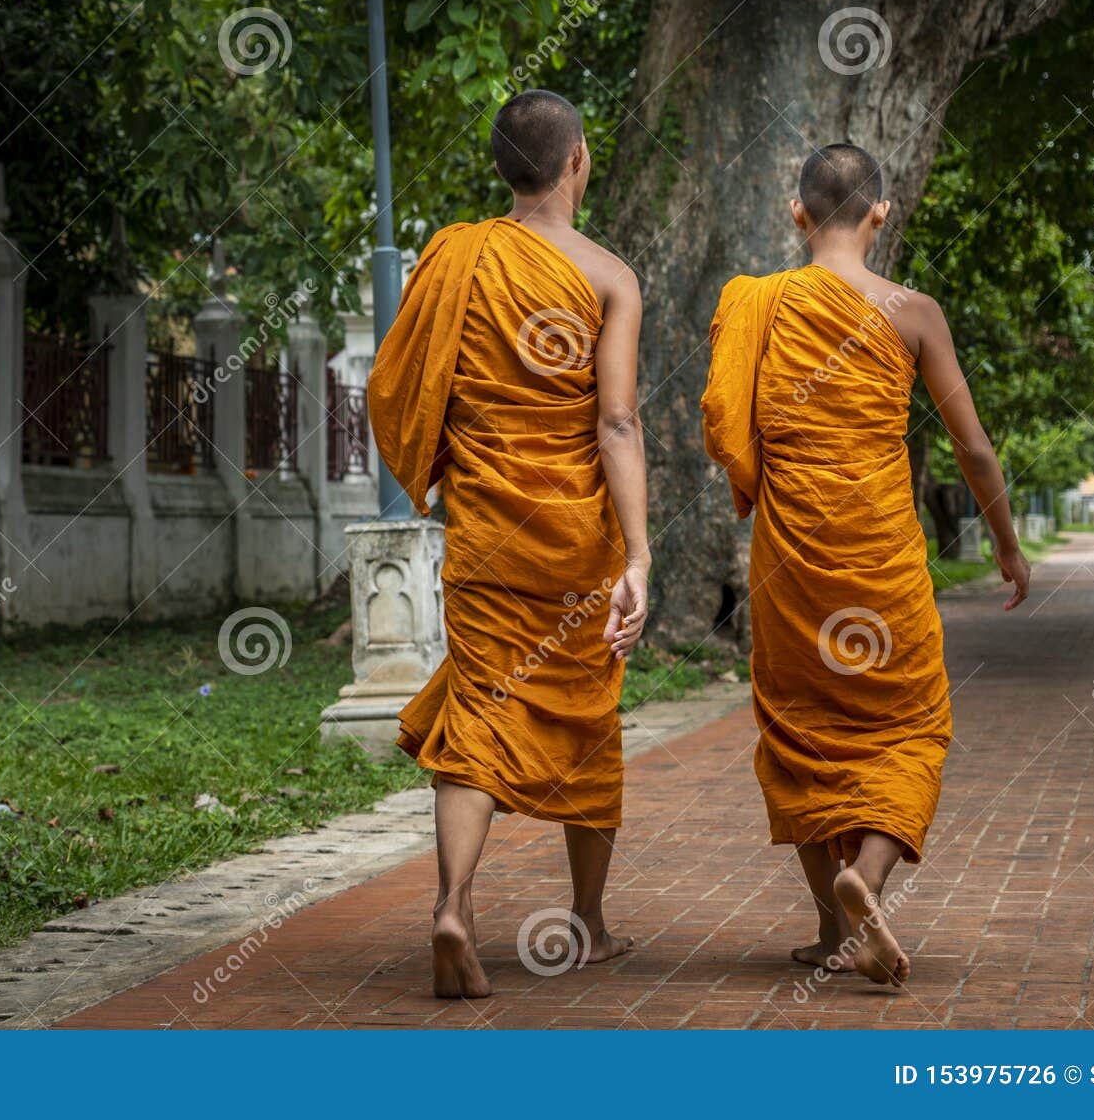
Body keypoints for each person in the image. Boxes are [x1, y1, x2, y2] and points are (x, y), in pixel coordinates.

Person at [701, 143, 1029, 986]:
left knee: (800, 730)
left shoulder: (759, 302)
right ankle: (868, 877)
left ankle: (829, 927)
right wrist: (1005, 543)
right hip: (880, 553)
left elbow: (730, 431)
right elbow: (975, 449)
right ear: (880, 212)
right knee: (913, 724)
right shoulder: (914, 312)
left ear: (798, 214)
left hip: (792, 557)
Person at [368, 89, 650, 999]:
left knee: (480, 710)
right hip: (574, 537)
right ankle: (589, 924)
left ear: (505, 169)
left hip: (486, 528)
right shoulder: (610, 277)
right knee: (588, 712)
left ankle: (454, 903)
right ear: (578, 162)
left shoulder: (456, 257)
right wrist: (638, 555)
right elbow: (616, 423)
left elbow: (405, 386)